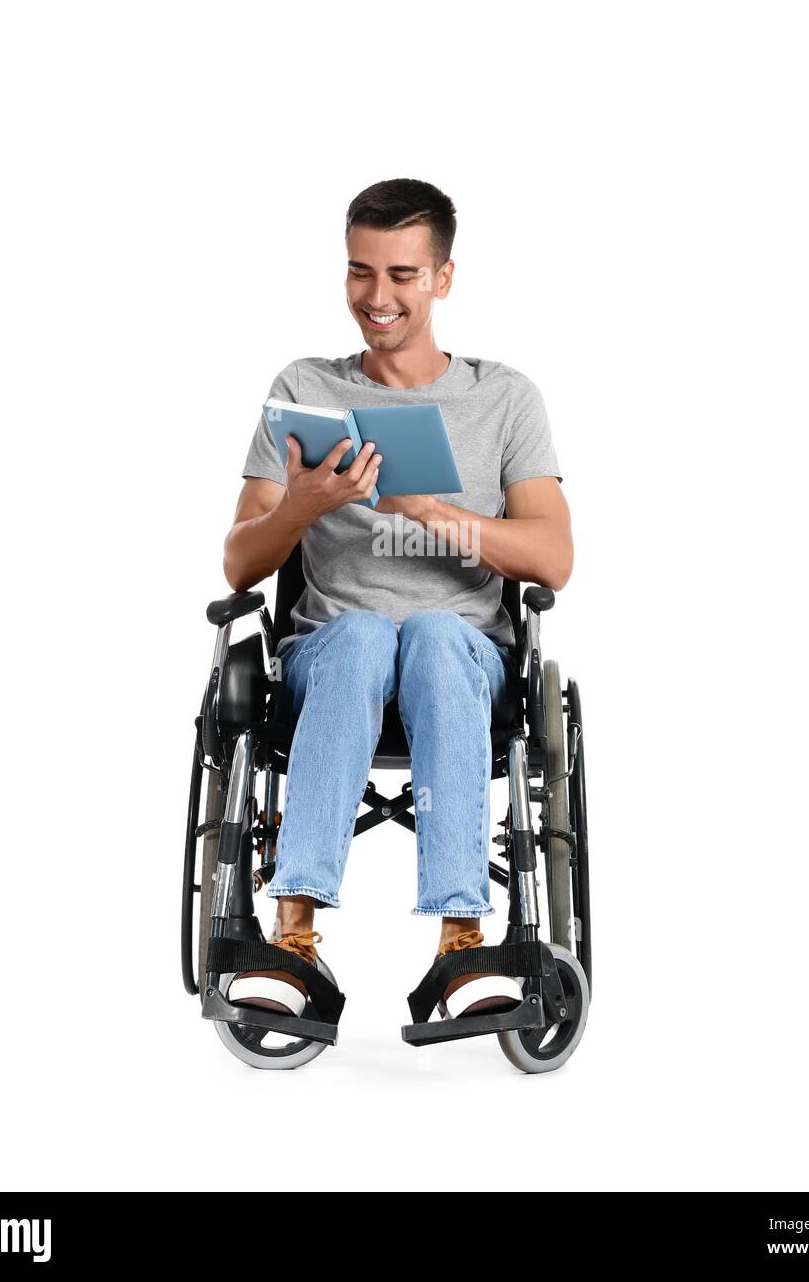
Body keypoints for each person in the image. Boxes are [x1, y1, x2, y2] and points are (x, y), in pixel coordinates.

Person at [220, 178, 573, 1021]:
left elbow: (553, 558)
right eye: (360, 272)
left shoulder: (504, 397)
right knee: (366, 635)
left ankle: (462, 945)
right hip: (330, 653)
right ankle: (293, 937)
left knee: (433, 634)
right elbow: (239, 563)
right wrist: (306, 503)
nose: (378, 298)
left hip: (461, 658)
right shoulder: (305, 386)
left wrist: (431, 510)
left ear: (443, 278)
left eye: (403, 276)